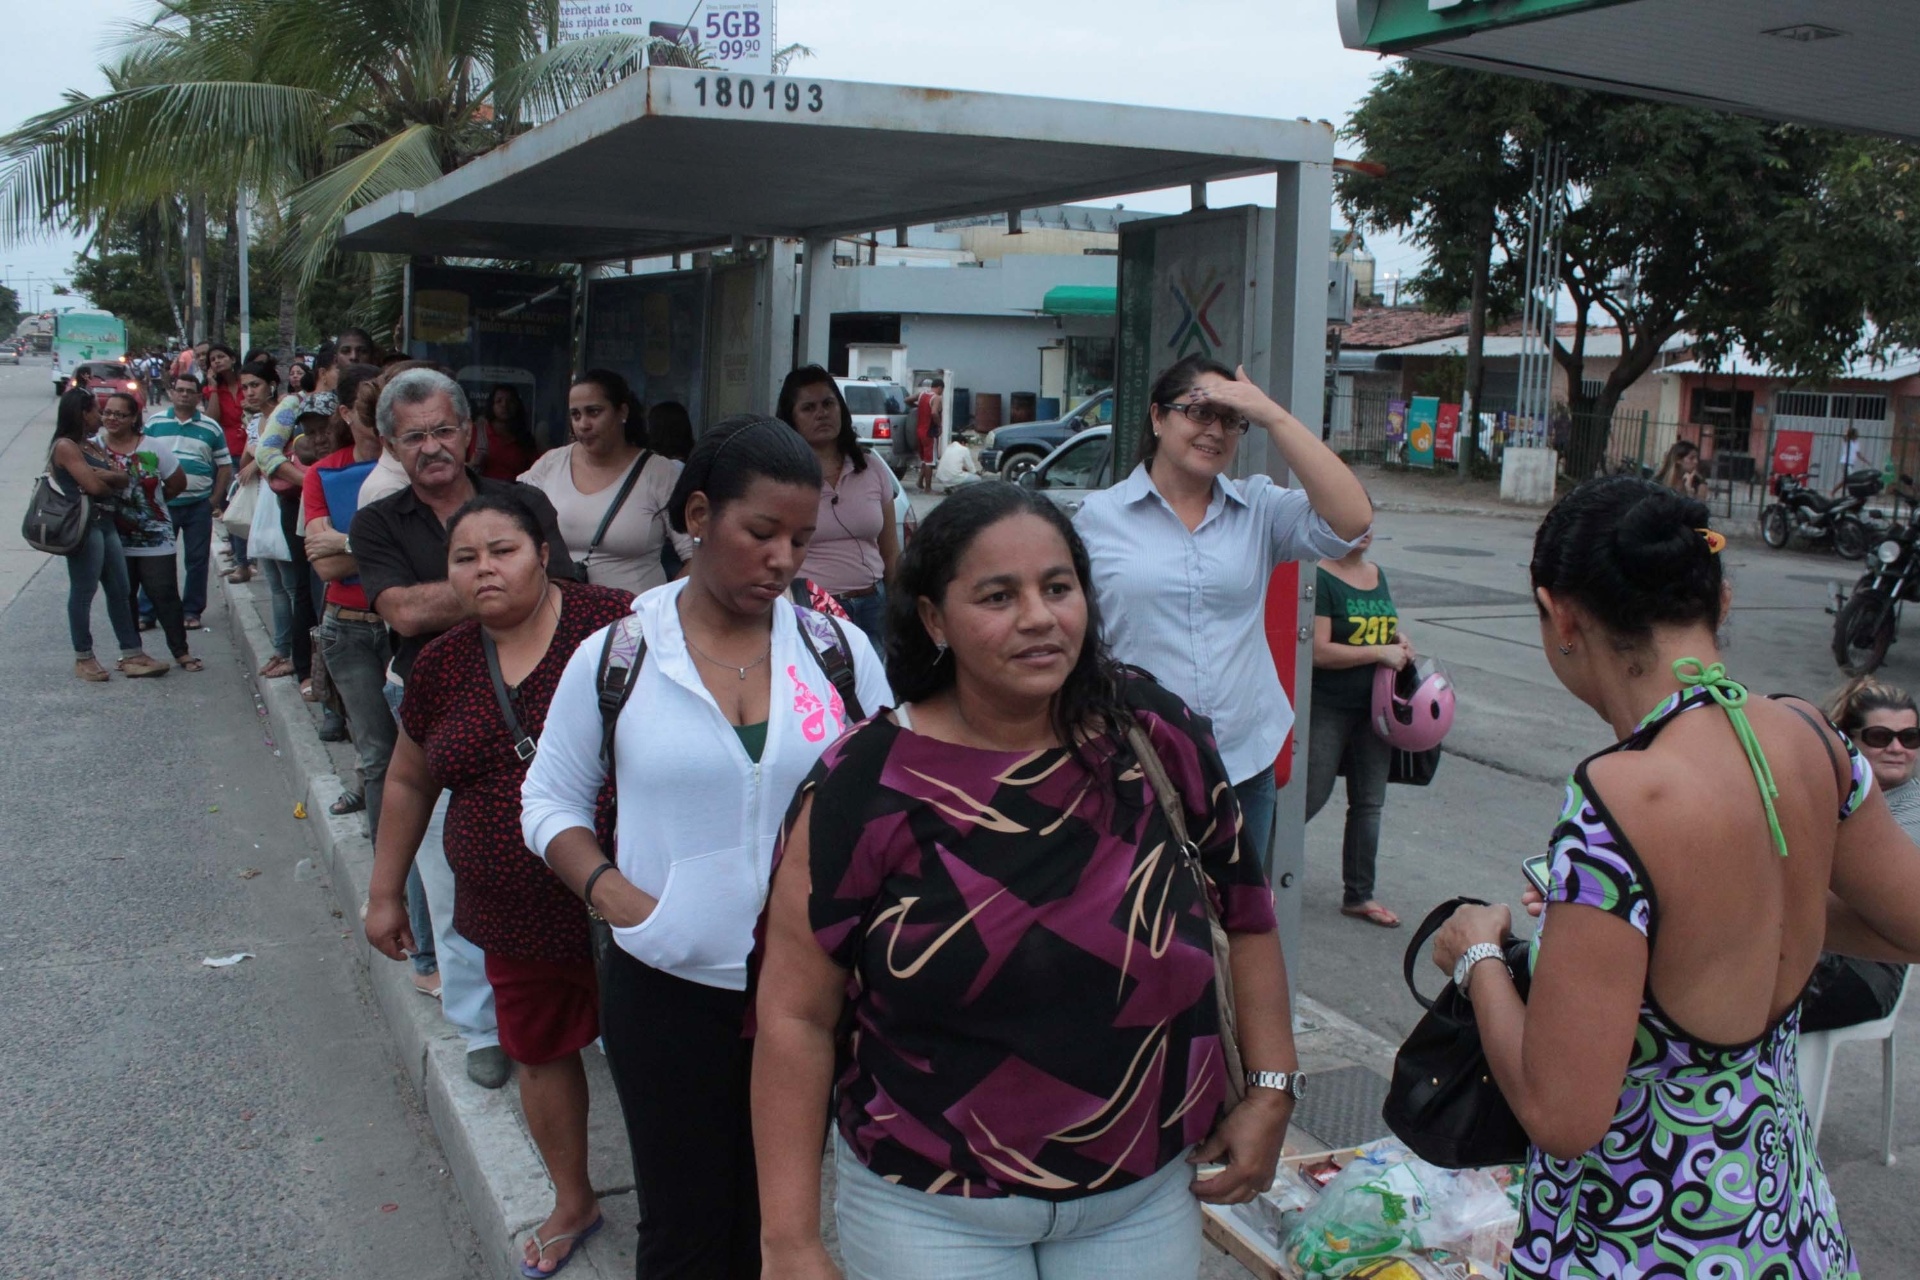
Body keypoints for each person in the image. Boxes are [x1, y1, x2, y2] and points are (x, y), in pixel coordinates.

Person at [753, 481, 1300, 1280]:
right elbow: (794, 1015)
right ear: (935, 619)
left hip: (1144, 1200)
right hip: (931, 1214)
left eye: (1058, 588)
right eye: (998, 596)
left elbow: (1247, 915)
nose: (1039, 618)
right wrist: (788, 1241)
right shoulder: (863, 785)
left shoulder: (1153, 734)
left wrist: (1273, 1090)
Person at [1428, 476, 1920, 1279]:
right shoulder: (1810, 736)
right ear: (1719, 599)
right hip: (1789, 1233)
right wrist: (1747, 907)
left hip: (1639, 1248)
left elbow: (1564, 1114)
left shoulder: (1617, 800)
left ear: (1561, 616)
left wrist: (1477, 956)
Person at [520, 416, 891, 1278]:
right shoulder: (619, 654)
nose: (783, 560)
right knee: (683, 1229)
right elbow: (548, 800)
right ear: (698, 516)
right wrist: (619, 900)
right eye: (761, 532)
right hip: (667, 988)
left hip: (812, 996)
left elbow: (893, 792)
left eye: (800, 538)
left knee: (778, 1220)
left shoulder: (835, 652)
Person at [365, 492, 632, 1277]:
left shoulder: (617, 627)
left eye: (502, 550)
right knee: (539, 1052)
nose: (484, 569)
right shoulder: (443, 663)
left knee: (663, 1057)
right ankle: (573, 1200)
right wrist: (384, 892)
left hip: (631, 902)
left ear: (542, 553)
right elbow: (408, 780)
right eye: (465, 557)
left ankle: (695, 1211)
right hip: (511, 912)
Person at [354, 366, 574, 1089]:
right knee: (452, 870)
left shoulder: (522, 500)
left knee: (559, 851)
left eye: (444, 430)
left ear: (469, 432)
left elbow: (564, 586)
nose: (432, 447)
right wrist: (503, 582)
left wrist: (459, 589)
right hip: (432, 700)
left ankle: (575, 1007)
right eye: (414, 436)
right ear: (392, 445)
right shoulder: (379, 520)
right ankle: (481, 1026)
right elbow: (402, 613)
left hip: (542, 695)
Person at [1074, 356, 1371, 877]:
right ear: (1158, 417)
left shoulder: (1258, 508)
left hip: (1242, 761)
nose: (1216, 430)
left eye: (1232, 419)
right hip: (1137, 763)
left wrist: (1273, 415)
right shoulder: (1099, 518)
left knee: (1239, 915)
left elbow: (1351, 520)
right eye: (1200, 412)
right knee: (1146, 915)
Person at [1800, 677, 1919, 1034]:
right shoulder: (1828, 792)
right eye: (1880, 737)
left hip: (1866, 970)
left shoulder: (1912, 810)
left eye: (1910, 737)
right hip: (1808, 950)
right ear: (1849, 742)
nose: (1897, 748)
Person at [301, 364, 393, 821]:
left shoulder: (410, 471)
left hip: (403, 625)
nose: (378, 420)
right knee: (377, 753)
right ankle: (384, 866)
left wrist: (348, 544)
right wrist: (391, 550)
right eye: (368, 409)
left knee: (414, 754)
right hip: (349, 628)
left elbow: (427, 550)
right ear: (346, 413)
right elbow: (326, 565)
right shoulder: (323, 474)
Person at [1305, 531, 1408, 928]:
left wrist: (1398, 642)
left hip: (1376, 709)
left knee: (1369, 803)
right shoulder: (1321, 576)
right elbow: (1319, 651)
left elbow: (1378, 630)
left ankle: (1359, 895)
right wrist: (1380, 652)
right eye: (1353, 526)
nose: (1362, 534)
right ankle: (1254, 874)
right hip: (1328, 705)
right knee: (1309, 797)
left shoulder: (1376, 574)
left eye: (1367, 525)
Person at [518, 369, 692, 597]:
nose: (583, 424)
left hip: (634, 614)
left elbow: (695, 556)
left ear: (622, 412)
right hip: (561, 613)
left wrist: (662, 604)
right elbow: (510, 518)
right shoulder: (551, 464)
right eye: (575, 415)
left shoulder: (659, 473)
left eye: (594, 412)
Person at [777, 365, 898, 648]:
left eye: (828, 404)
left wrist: (900, 607)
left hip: (874, 604)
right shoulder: (783, 477)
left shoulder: (871, 467)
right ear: (791, 418)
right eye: (808, 408)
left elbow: (891, 553)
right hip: (813, 608)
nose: (821, 413)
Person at [49, 389, 166, 680]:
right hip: (85, 525)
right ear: (82, 413)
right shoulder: (66, 446)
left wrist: (107, 478)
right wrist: (104, 480)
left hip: (106, 523)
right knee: (83, 591)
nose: (101, 417)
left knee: (120, 590)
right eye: (96, 411)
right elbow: (96, 487)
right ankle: (83, 657)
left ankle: (132, 653)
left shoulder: (91, 446)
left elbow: (123, 478)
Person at [95, 391, 201, 672]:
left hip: (155, 536)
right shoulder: (95, 448)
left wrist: (154, 505)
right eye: (108, 412)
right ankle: (131, 652)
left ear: (133, 418)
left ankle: (181, 652)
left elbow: (177, 483)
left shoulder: (153, 448)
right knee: (123, 595)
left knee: (164, 593)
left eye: (120, 414)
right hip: (113, 537)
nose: (112, 418)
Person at [143, 370, 232, 629]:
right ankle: (147, 612)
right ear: (172, 393)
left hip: (198, 506)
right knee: (155, 560)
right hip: (162, 505)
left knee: (196, 561)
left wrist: (214, 500)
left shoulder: (210, 427)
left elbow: (225, 466)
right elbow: (143, 461)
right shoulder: (155, 423)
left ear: (198, 396)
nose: (184, 395)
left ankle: (191, 612)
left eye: (190, 391)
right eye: (180, 390)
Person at [228, 358, 279, 587]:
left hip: (280, 498)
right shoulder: (256, 420)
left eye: (255, 385)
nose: (249, 392)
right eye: (245, 387)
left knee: (289, 581)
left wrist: (256, 458)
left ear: (272, 385)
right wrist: (255, 454)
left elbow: (278, 455)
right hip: (260, 499)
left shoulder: (284, 416)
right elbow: (244, 466)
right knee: (274, 582)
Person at [471, 384, 540, 481]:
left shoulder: (525, 439)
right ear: (492, 405)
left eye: (510, 401)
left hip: (515, 489)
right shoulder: (475, 433)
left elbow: (536, 473)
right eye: (499, 401)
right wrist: (471, 464)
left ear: (517, 405)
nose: (504, 405)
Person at [914, 377, 944, 492]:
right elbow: (934, 413)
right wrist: (939, 425)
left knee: (924, 459)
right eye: (942, 390)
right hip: (929, 432)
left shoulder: (922, 395)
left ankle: (919, 482)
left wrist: (916, 408)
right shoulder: (936, 398)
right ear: (940, 388)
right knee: (930, 461)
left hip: (919, 430)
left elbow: (907, 400)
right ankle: (928, 488)